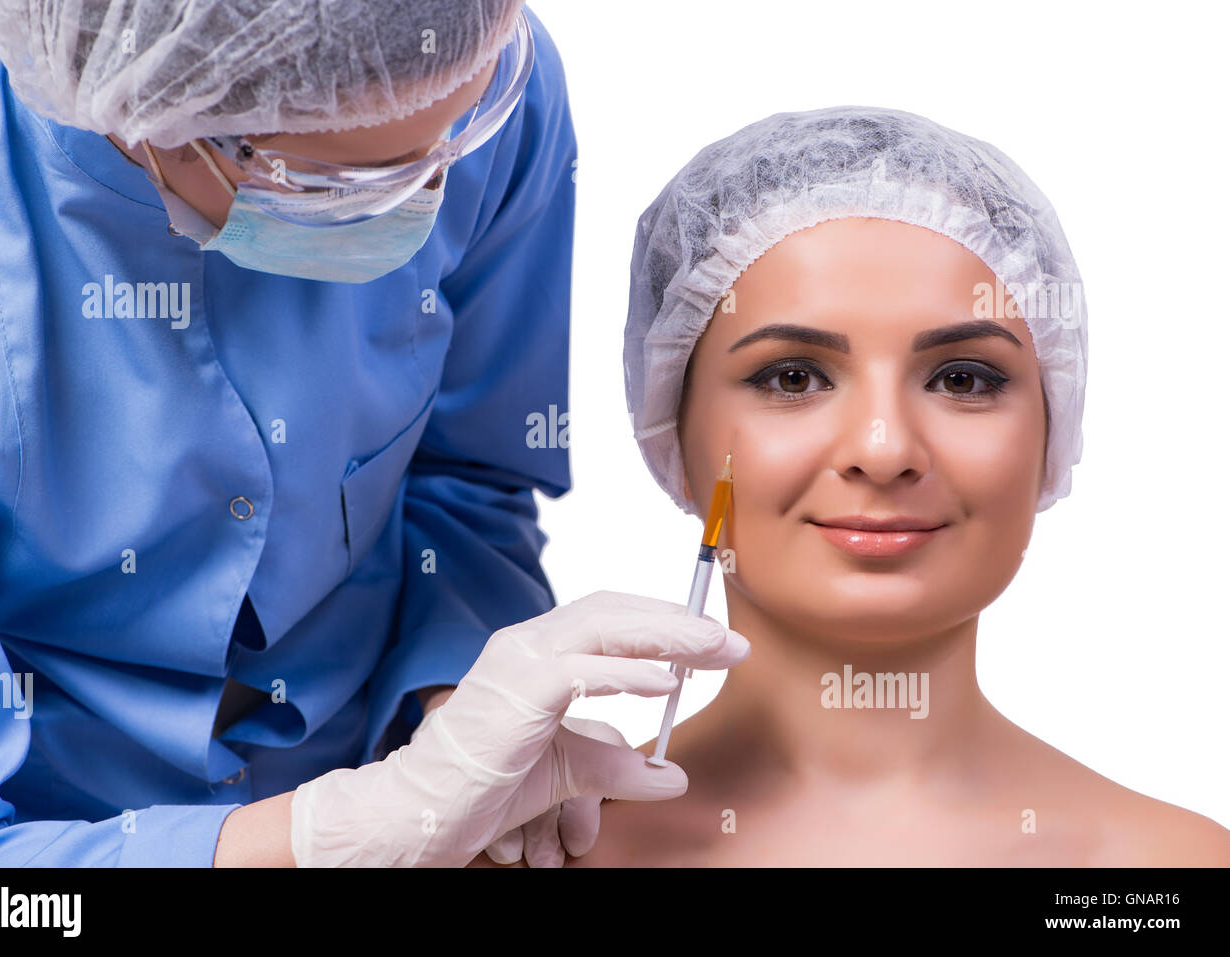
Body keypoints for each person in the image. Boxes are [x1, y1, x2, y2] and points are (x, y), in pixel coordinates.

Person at [0, 0, 749, 868]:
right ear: (156, 121)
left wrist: (461, 716)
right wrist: (331, 838)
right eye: (347, 186)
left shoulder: (462, 60)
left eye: (456, 140)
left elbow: (468, 476)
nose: (430, 193)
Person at [470, 105, 1230, 867]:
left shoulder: (1164, 875)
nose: (884, 448)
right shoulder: (534, 856)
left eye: (962, 378)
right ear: (671, 427)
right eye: (793, 377)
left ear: (1051, 429)